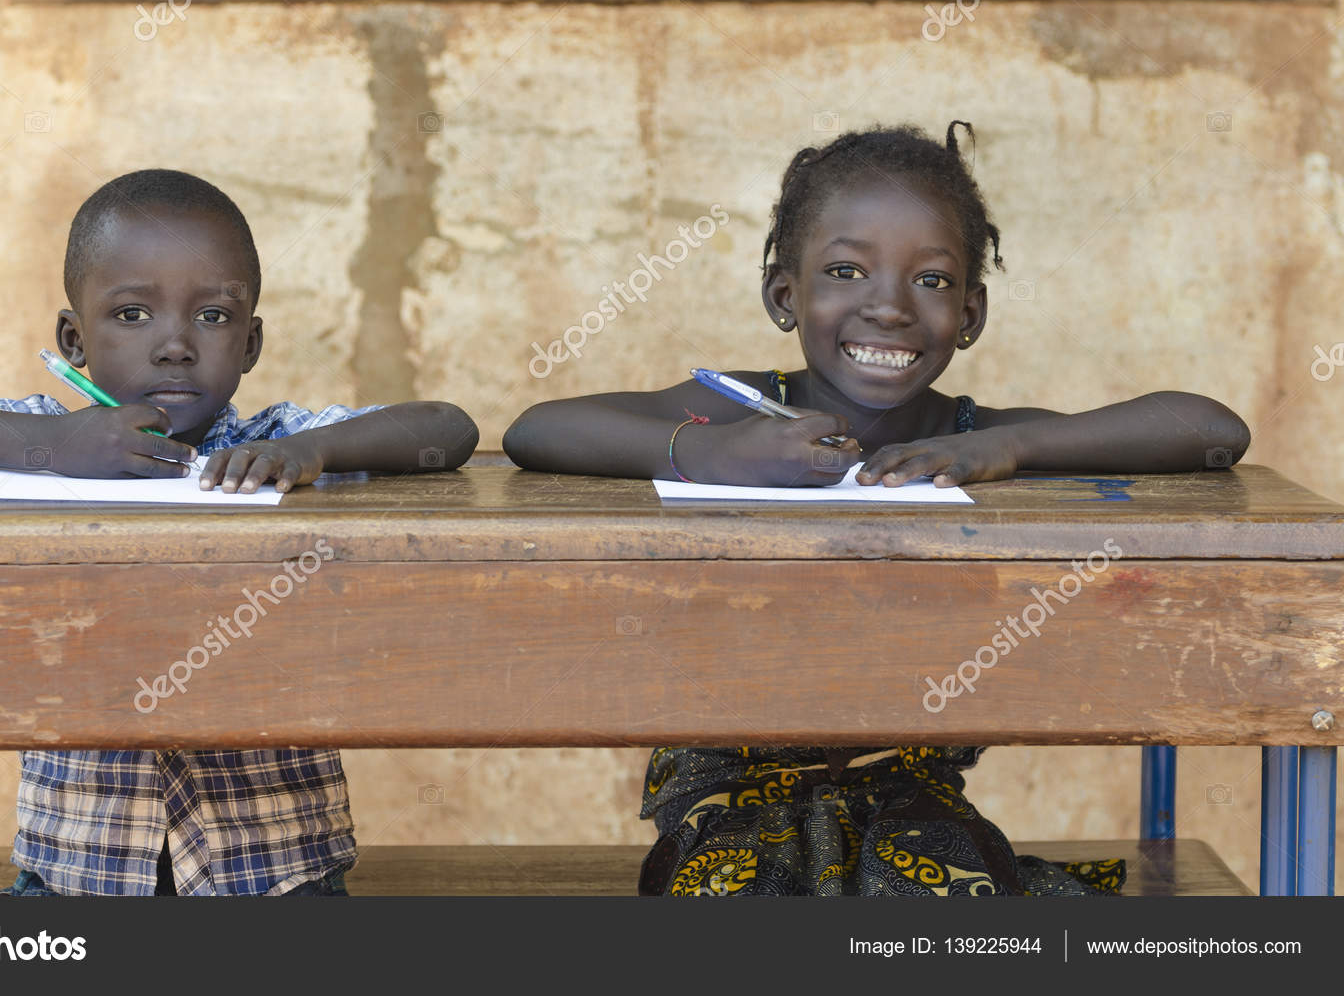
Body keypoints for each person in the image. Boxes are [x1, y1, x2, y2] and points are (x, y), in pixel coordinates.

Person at [502, 123, 1250, 896]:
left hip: (909, 792)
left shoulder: (967, 437)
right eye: (847, 270)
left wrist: (1011, 447)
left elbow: (1210, 427)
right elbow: (537, 428)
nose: (888, 306)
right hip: (732, 797)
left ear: (970, 313)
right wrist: (718, 454)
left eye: (930, 281)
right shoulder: (741, 414)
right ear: (785, 296)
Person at [0, 168, 478, 896]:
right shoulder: (49, 440)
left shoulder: (276, 446)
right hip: (77, 872)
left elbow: (447, 428)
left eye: (213, 317)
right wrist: (51, 448)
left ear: (251, 344)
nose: (175, 345)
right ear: (74, 339)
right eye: (133, 315)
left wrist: (311, 454)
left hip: (278, 877)